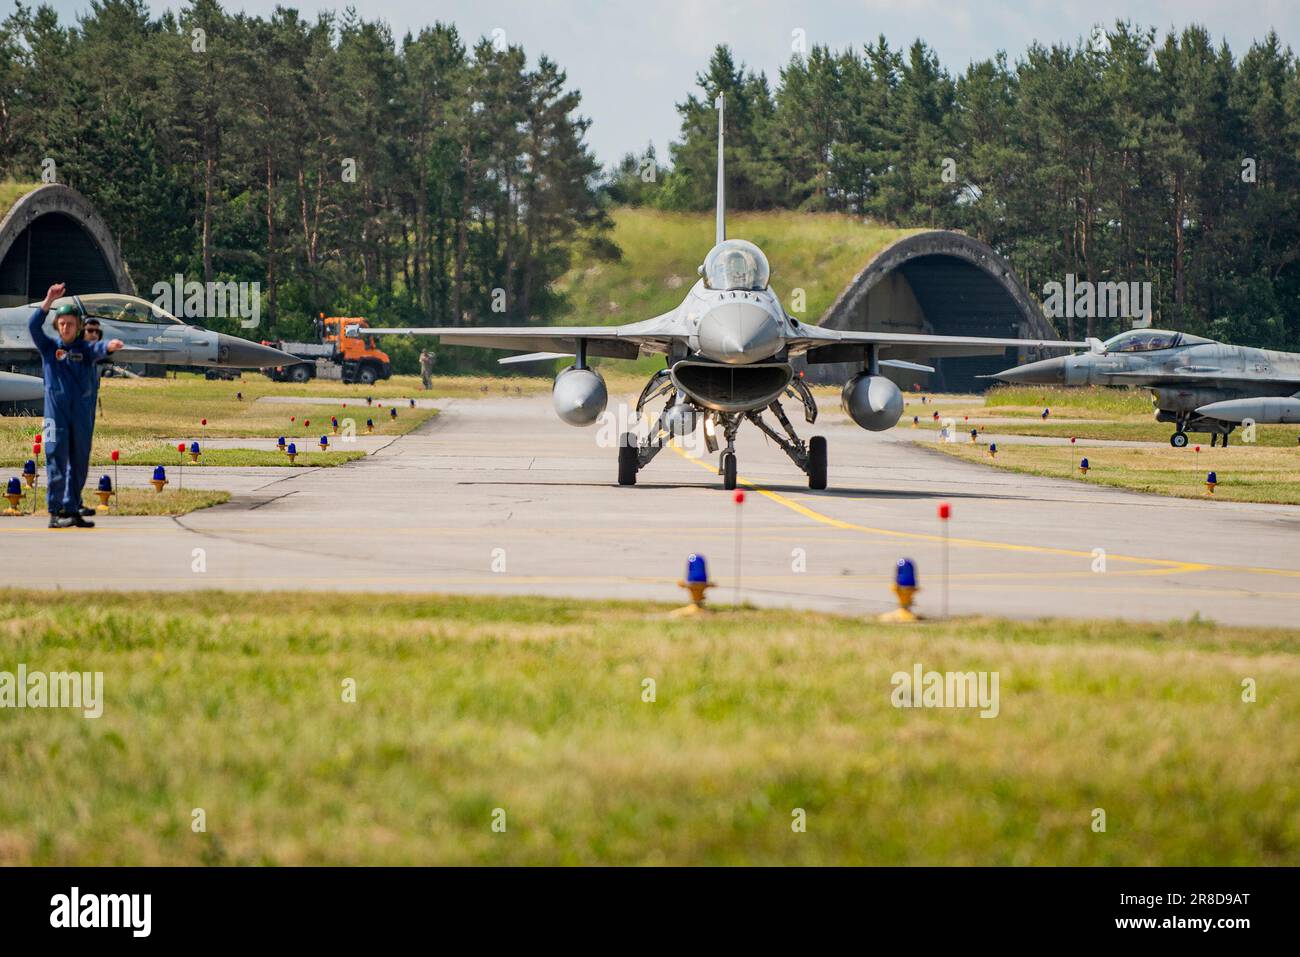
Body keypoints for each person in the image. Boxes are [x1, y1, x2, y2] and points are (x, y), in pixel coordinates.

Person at [28, 283, 124, 528]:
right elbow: (32, 326)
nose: (66, 327)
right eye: (62, 323)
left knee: (79, 463)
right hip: (56, 416)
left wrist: (109, 346)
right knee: (56, 461)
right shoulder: (50, 349)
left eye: (70, 323)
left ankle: (72, 509)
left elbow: (98, 348)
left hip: (80, 416)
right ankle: (55, 512)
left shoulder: (85, 349)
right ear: (57, 325)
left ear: (78, 326)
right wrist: (49, 300)